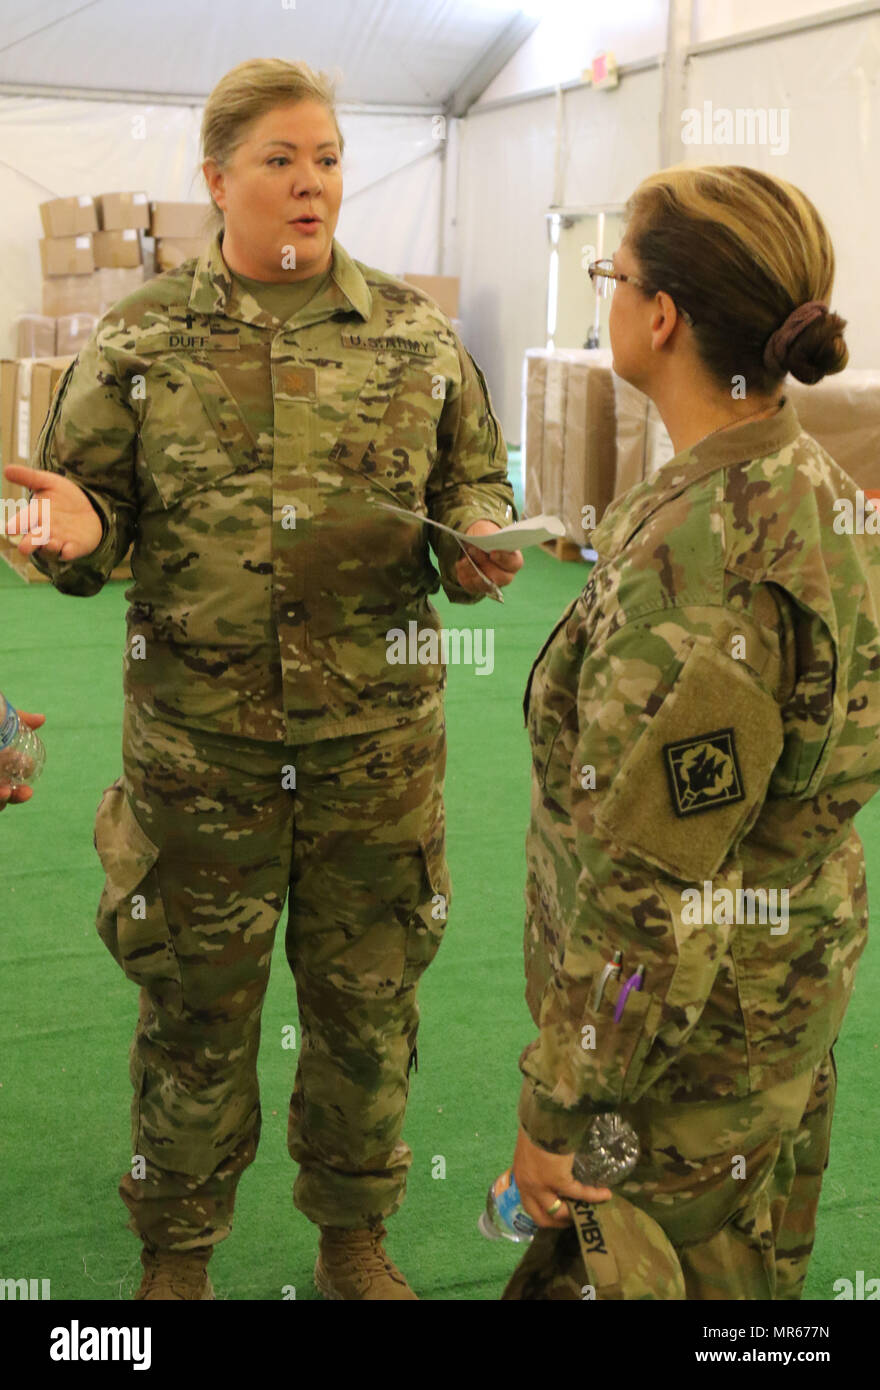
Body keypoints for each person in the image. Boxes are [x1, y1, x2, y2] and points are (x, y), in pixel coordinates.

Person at [3, 57, 521, 1301]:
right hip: (200, 760)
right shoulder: (139, 338)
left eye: (329, 158)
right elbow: (93, 516)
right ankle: (175, 1258)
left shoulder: (412, 333)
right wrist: (73, 542)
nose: (311, 184)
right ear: (217, 178)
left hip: (375, 759)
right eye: (281, 160)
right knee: (191, 1019)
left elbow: (474, 481)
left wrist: (479, 539)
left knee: (365, 1015)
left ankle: (353, 1242)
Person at [502, 164, 880, 1300]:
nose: (608, 295)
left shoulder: (710, 567)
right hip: (768, 1014)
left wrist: (560, 1107)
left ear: (659, 315)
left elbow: (652, 894)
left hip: (684, 1064)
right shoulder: (792, 476)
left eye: (612, 274)